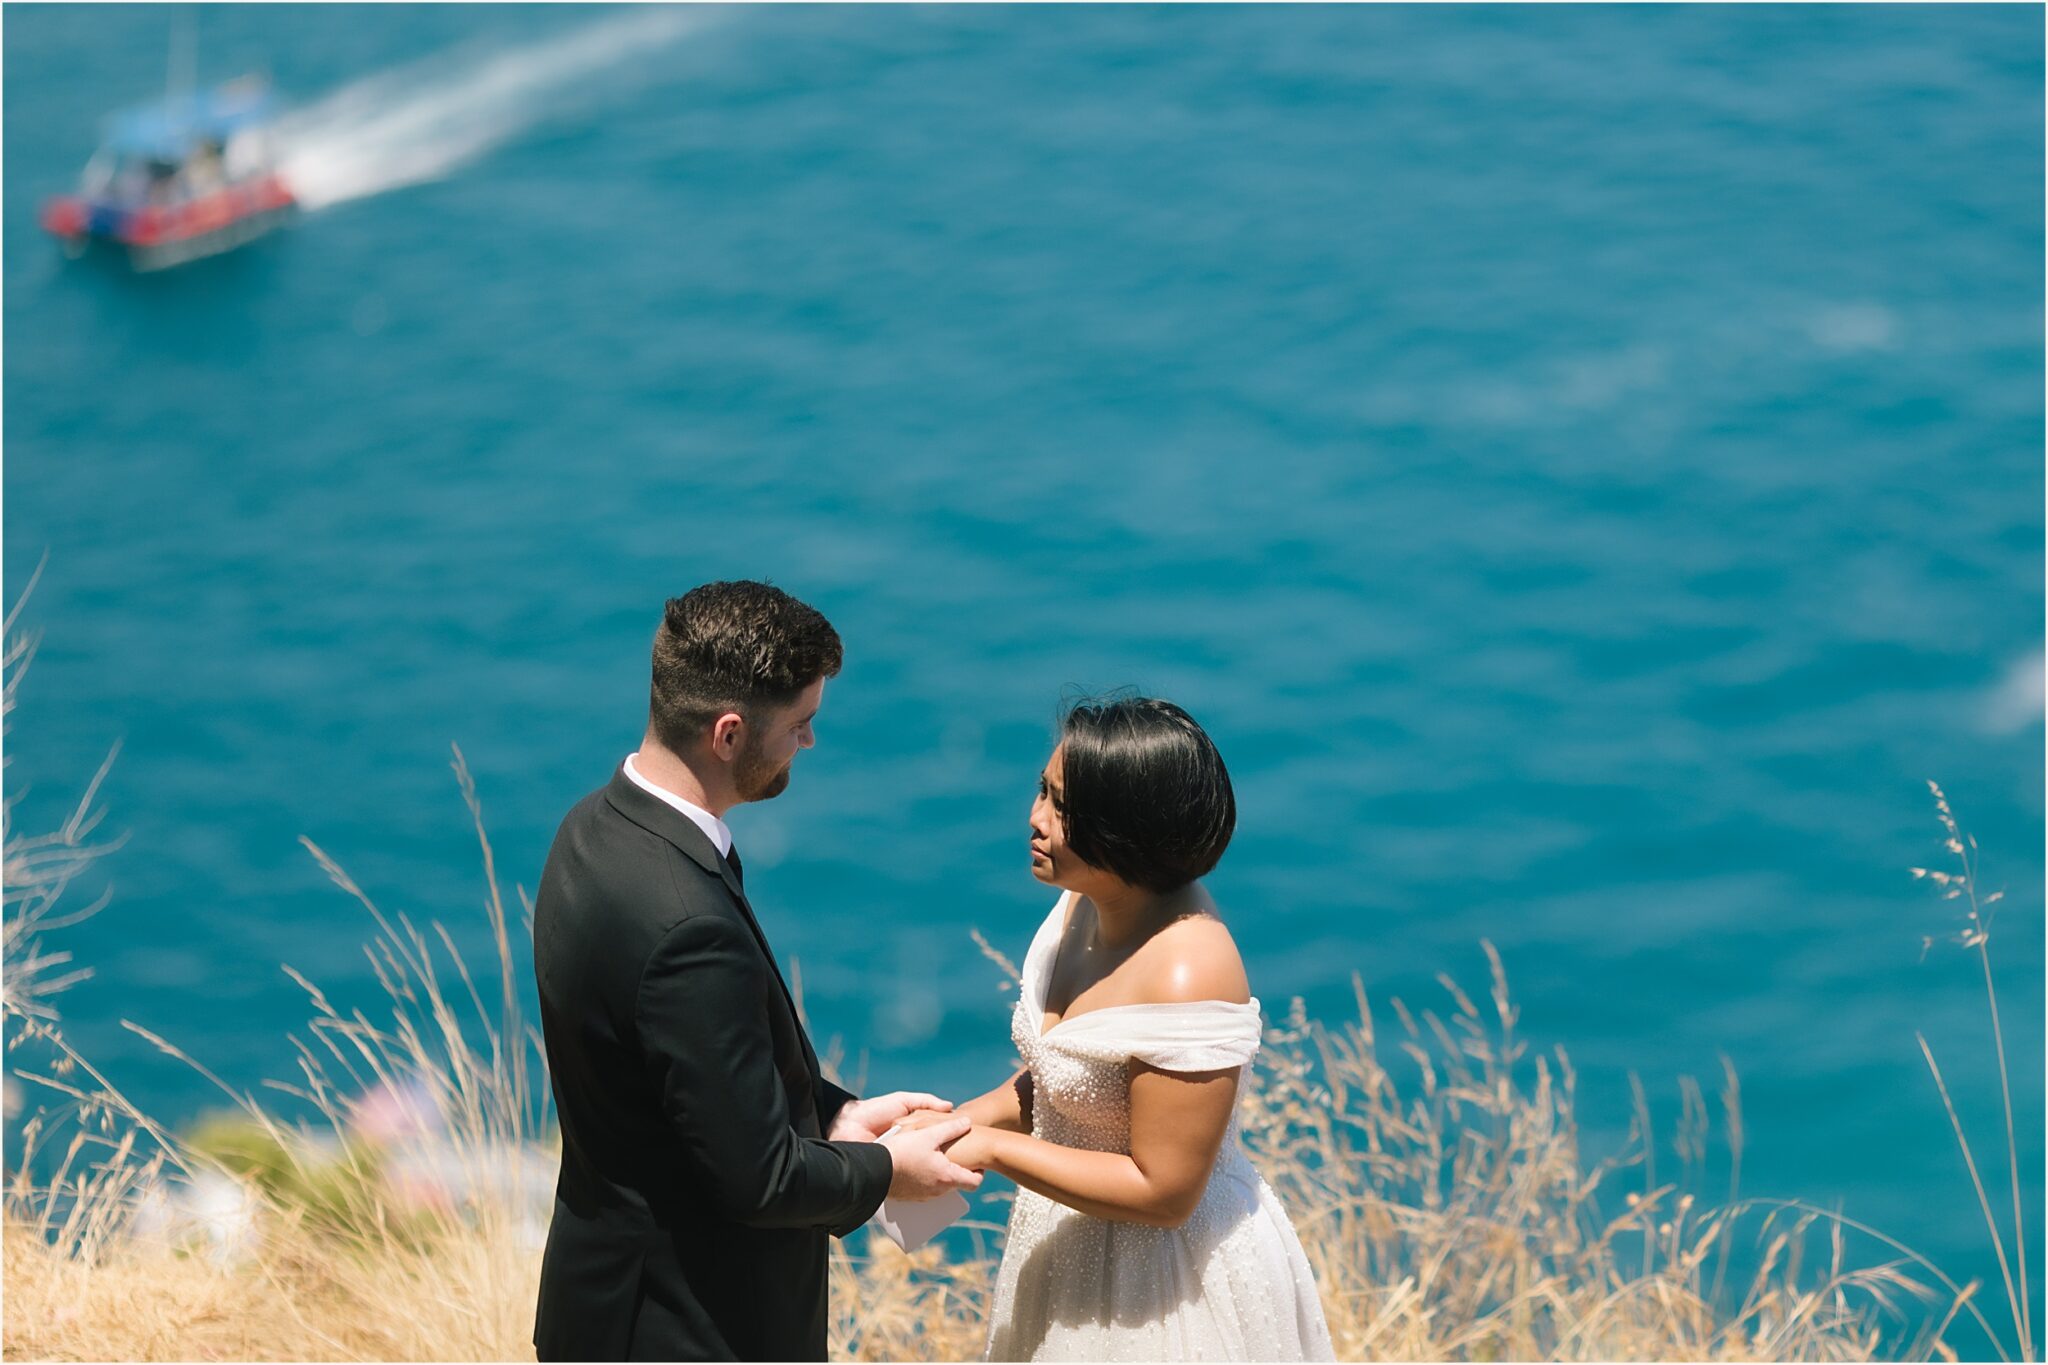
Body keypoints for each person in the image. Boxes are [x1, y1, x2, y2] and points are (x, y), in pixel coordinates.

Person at [531, 581, 981, 1362]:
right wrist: (884, 1171)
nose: (809, 743)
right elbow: (759, 1181)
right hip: (688, 1331)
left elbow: (679, 1090)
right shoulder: (688, 923)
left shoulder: (592, 828)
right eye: (801, 724)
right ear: (729, 733)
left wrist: (835, 1115)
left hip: (603, 1305)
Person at [897, 696, 1335, 1361]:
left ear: (1127, 830)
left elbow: (1164, 1193)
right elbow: (1070, 1079)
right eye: (1043, 791)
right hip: (1073, 1247)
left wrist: (988, 1149)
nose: (1034, 819)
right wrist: (949, 1125)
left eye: (1061, 807)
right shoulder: (1085, 904)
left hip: (1165, 1285)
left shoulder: (1191, 975)